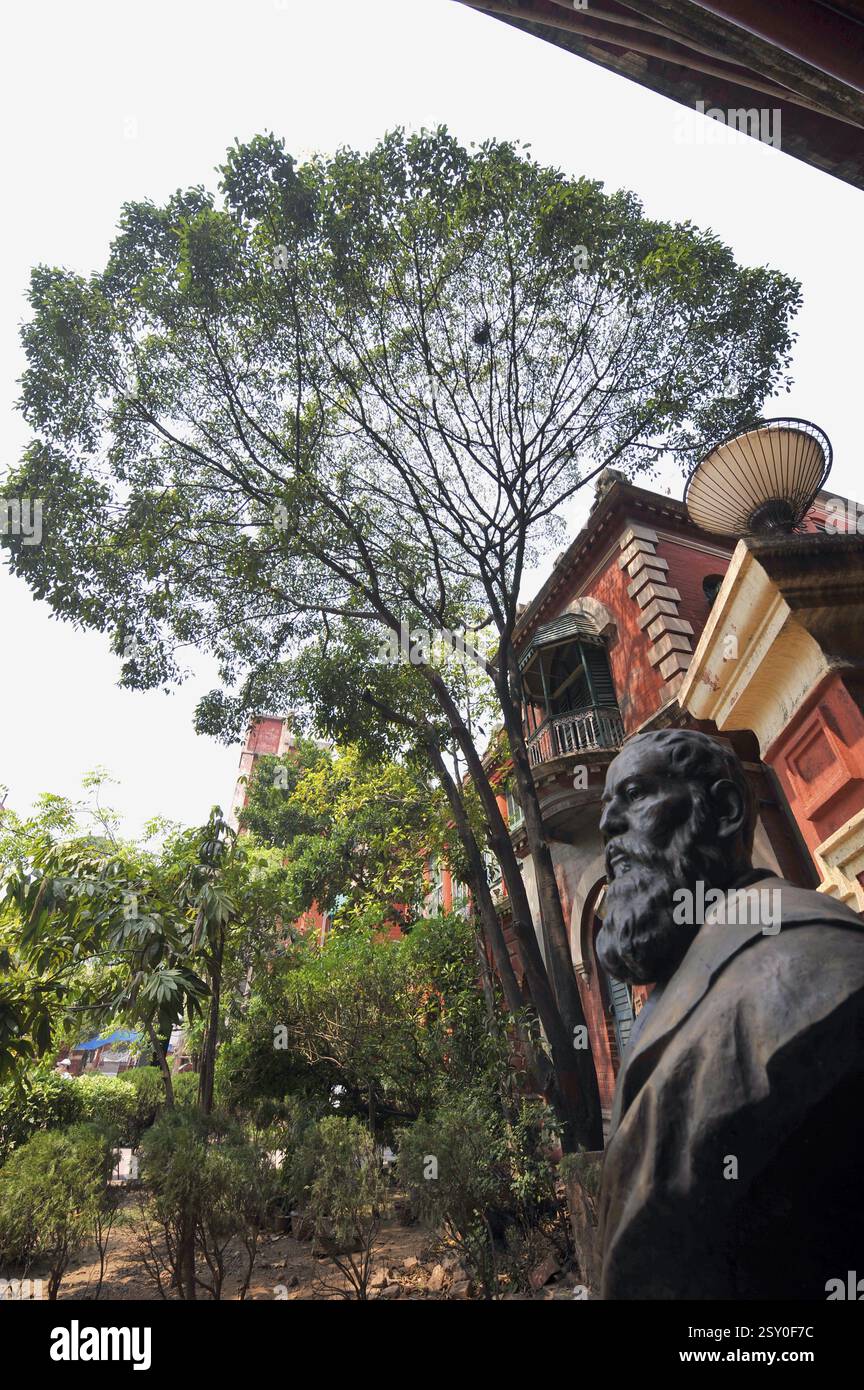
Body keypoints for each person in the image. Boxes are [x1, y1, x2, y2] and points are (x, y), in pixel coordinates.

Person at [595, 728, 864, 1300]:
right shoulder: (688, 972)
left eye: (636, 793)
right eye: (607, 806)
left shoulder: (810, 965)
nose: (607, 825)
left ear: (722, 808)